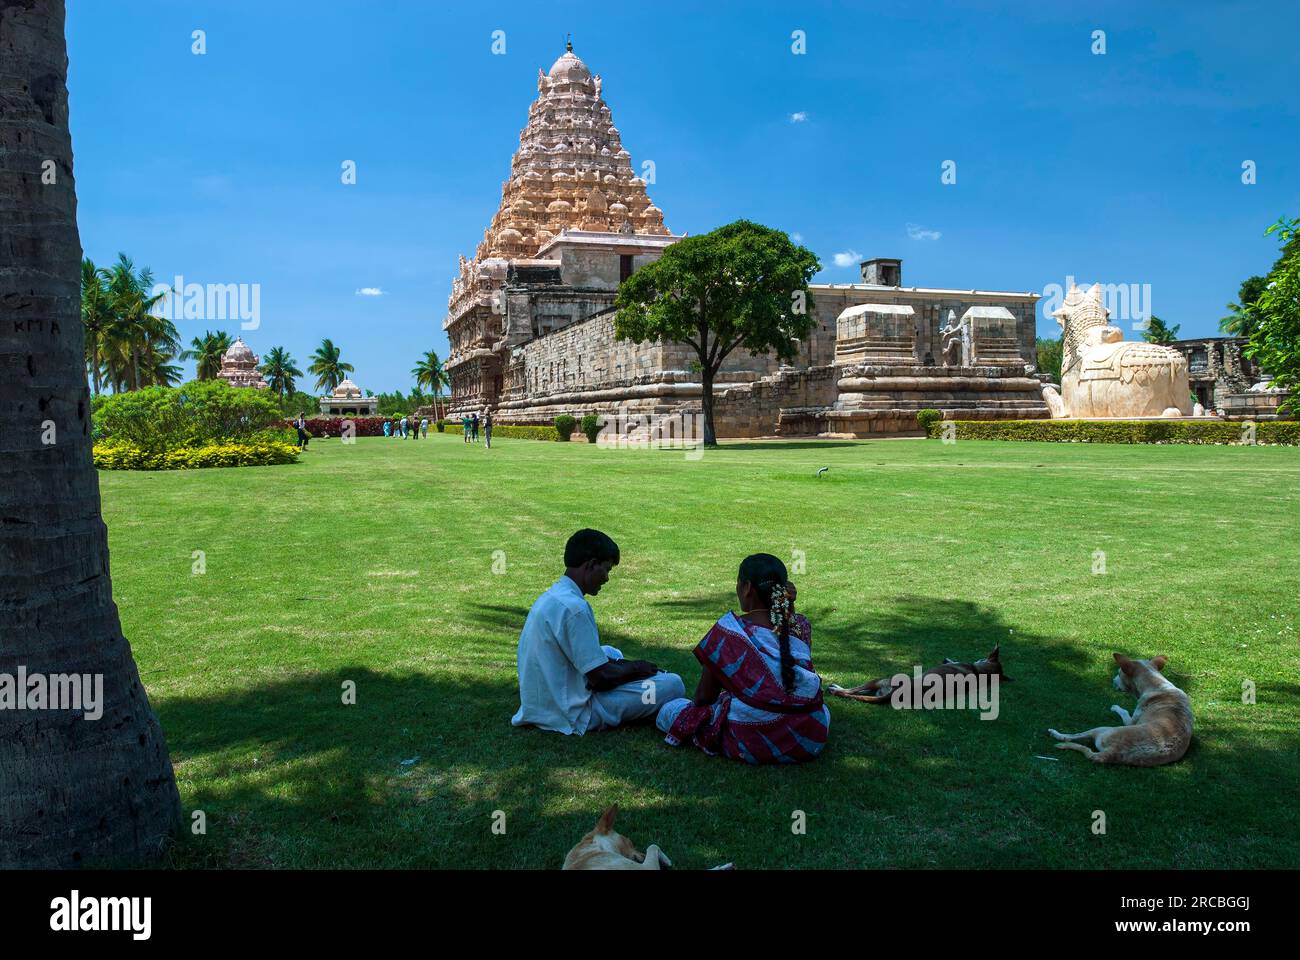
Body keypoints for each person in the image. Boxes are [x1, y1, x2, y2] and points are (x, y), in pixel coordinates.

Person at [655, 554, 829, 763]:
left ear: (746, 587)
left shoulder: (729, 631)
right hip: (812, 735)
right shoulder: (800, 624)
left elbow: (703, 698)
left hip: (754, 741)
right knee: (820, 710)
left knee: (669, 710)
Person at [512, 529, 686, 735]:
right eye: (606, 570)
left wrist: (625, 667)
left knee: (612, 653)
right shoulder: (575, 609)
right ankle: (649, 704)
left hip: (542, 703)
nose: (606, 578)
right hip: (573, 713)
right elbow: (601, 679)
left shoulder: (553, 595)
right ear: (591, 565)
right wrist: (636, 669)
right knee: (672, 684)